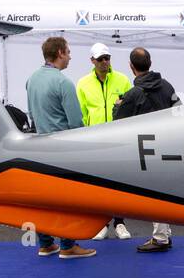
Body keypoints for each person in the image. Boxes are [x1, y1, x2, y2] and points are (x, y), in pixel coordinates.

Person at [25, 37, 96, 259]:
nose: (70, 56)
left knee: (43, 200)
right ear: (59, 53)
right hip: (63, 149)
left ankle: (46, 243)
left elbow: (32, 114)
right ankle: (67, 245)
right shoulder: (63, 83)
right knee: (68, 200)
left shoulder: (31, 80)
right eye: (68, 52)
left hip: (39, 146)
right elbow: (75, 123)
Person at [115, 47, 179, 252]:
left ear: (131, 67)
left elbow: (118, 122)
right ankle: (164, 233)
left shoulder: (133, 94)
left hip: (145, 151)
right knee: (163, 191)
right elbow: (181, 113)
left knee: (153, 194)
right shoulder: (168, 86)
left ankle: (161, 237)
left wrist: (118, 105)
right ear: (150, 63)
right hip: (168, 146)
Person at [76, 42, 133, 240]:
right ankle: (101, 224)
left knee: (119, 183)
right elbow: (82, 113)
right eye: (100, 59)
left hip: (118, 139)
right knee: (97, 184)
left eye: (107, 58)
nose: (104, 62)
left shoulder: (123, 80)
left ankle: (120, 223)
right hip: (95, 141)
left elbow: (130, 109)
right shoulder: (83, 83)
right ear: (92, 61)